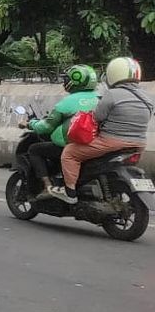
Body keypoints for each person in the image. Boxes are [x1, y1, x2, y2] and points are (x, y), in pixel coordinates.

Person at [54, 57, 154, 203]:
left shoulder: (112, 94)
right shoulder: (147, 98)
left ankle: (69, 192)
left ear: (113, 74)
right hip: (138, 144)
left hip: (111, 142)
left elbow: (97, 117)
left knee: (70, 153)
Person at [22, 64, 99, 195]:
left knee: (34, 149)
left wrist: (30, 124)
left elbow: (46, 127)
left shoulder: (66, 103)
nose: (65, 82)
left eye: (67, 79)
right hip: (96, 145)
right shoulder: (100, 99)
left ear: (76, 80)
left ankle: (48, 187)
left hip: (70, 145)